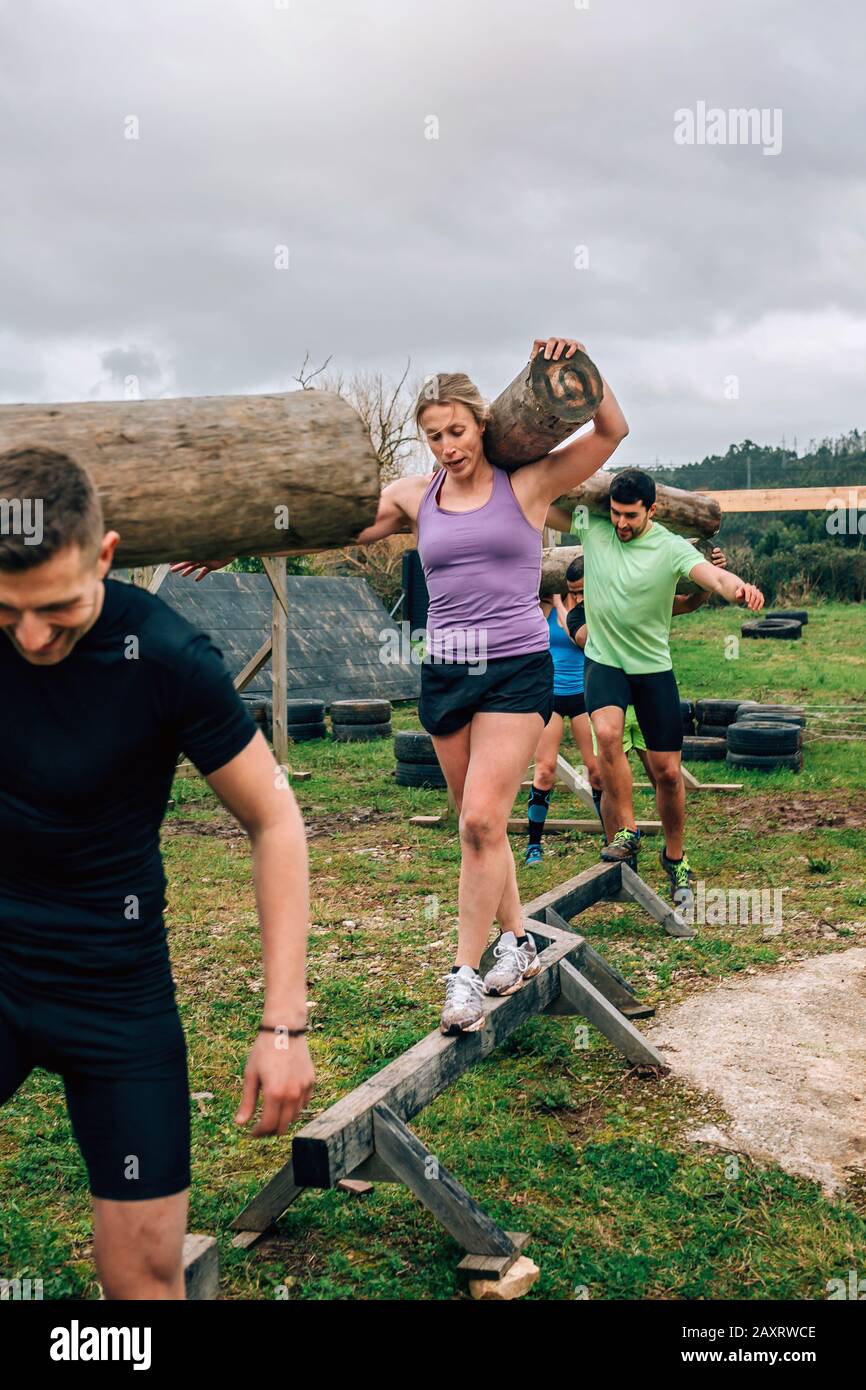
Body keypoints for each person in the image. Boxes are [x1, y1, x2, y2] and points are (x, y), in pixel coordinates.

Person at [173, 335, 629, 1036]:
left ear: (483, 425)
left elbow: (611, 431)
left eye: (457, 430)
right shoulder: (416, 498)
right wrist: (236, 542)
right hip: (445, 672)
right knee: (481, 829)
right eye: (434, 436)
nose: (447, 446)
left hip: (514, 669)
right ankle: (518, 939)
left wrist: (579, 366)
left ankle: (462, 975)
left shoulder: (529, 483)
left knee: (480, 822)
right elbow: (323, 531)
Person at [0, 446, 315, 1300]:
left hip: (115, 987)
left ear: (106, 557)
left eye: (57, 608)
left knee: (142, 1276)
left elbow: (274, 817)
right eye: (7, 612)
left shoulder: (166, 655)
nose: (32, 637)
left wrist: (283, 1023)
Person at [566, 467, 763, 905]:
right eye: (616, 513)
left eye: (631, 516)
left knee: (669, 774)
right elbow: (544, 499)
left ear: (651, 510)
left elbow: (710, 577)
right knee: (609, 736)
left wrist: (738, 588)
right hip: (605, 660)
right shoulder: (594, 527)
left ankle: (675, 858)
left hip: (652, 667)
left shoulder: (670, 547)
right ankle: (628, 831)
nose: (621, 523)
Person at [569, 545, 728, 853]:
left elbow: (688, 602)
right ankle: (621, 846)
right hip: (609, 708)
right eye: (572, 593)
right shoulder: (577, 615)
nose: (577, 600)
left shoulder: (636, 599)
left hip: (648, 702)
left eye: (582, 591)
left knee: (666, 778)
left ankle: (674, 854)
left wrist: (712, 576)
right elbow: (588, 638)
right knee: (607, 783)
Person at [524, 555, 603, 864]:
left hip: (584, 693)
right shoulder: (541, 606)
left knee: (596, 771)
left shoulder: (586, 605)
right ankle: (533, 845)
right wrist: (551, 600)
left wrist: (562, 605)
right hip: (551, 695)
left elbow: (579, 638)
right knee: (544, 770)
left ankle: (612, 838)